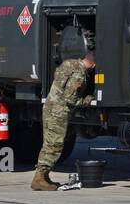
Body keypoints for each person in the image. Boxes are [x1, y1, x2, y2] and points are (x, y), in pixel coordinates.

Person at [32, 29, 96, 191]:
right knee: (54, 144)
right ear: (92, 62)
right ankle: (39, 178)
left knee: (49, 142)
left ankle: (43, 177)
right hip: (59, 112)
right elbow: (70, 98)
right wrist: (87, 100)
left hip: (50, 107)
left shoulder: (68, 64)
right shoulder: (79, 74)